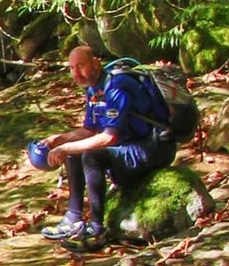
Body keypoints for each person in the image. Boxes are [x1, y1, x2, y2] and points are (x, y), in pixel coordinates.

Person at [32, 45, 176, 248]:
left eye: (80, 66)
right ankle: (73, 217)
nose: (76, 73)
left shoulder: (117, 86)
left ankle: (97, 230)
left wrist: (66, 148)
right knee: (74, 151)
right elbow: (90, 131)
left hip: (154, 147)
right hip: (131, 146)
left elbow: (109, 138)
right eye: (72, 68)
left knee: (92, 157)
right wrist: (60, 140)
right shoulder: (95, 88)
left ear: (95, 63)